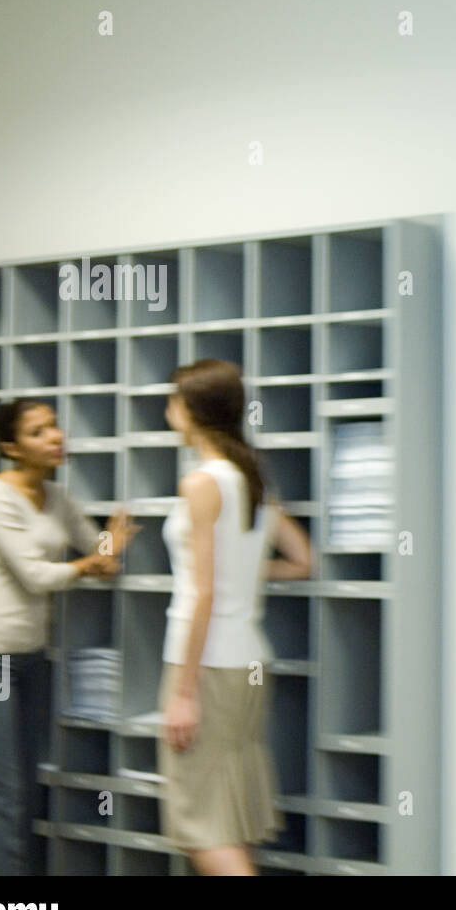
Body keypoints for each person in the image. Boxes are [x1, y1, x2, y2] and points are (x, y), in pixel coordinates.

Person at [0, 398, 136, 874]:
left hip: (31, 655)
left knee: (27, 787)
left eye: (54, 426)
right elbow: (35, 575)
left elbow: (100, 555)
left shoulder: (57, 497)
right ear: (10, 447)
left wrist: (110, 545)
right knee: (1, 791)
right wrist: (89, 565)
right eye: (38, 431)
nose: (55, 436)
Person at [158, 358, 314, 876]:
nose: (167, 411)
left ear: (191, 412)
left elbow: (202, 593)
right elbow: (302, 561)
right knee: (225, 821)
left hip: (206, 666)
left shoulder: (202, 483)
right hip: (247, 661)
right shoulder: (253, 479)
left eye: (173, 401)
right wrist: (244, 574)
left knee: (199, 825)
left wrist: (183, 692)